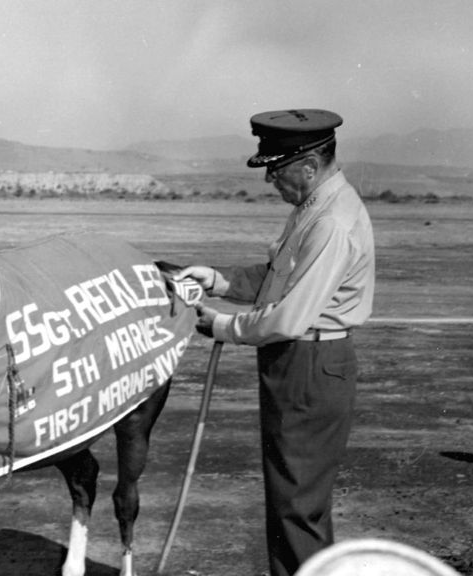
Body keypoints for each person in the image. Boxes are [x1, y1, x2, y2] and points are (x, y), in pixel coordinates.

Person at [174, 109, 375, 576]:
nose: (270, 180)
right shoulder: (314, 209)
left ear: (307, 166)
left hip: (309, 362)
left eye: (276, 168)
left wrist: (222, 327)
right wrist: (221, 282)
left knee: (297, 506)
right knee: (294, 501)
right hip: (301, 361)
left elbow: (288, 315)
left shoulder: (330, 222)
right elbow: (280, 277)